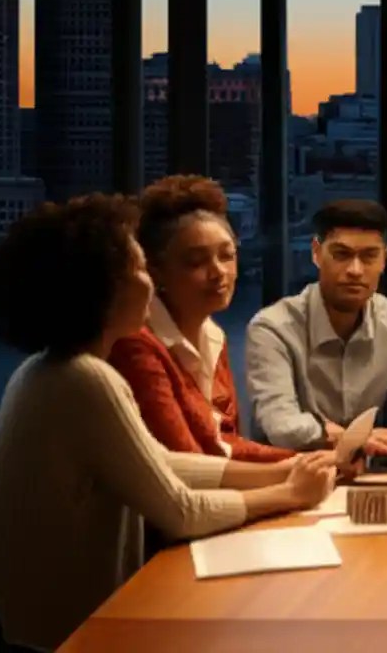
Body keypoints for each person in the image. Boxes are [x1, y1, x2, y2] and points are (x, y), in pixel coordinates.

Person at [0, 195, 338, 650]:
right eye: (141, 267)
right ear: (104, 289)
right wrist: (288, 494)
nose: (150, 281)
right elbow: (181, 512)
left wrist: (282, 472)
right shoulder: (86, 379)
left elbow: (160, 461)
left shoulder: (49, 370)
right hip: (69, 637)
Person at [246, 199, 387, 452]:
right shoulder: (272, 328)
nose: (355, 270)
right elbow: (281, 424)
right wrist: (358, 438)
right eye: (341, 254)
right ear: (316, 253)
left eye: (369, 256)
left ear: (384, 259)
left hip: (376, 473)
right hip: (291, 476)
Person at [108, 175, 293, 462]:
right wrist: (296, 467)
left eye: (227, 256)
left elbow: (226, 441)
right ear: (155, 270)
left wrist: (307, 462)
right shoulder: (136, 344)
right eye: (196, 262)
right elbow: (184, 457)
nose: (218, 271)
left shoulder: (212, 334)